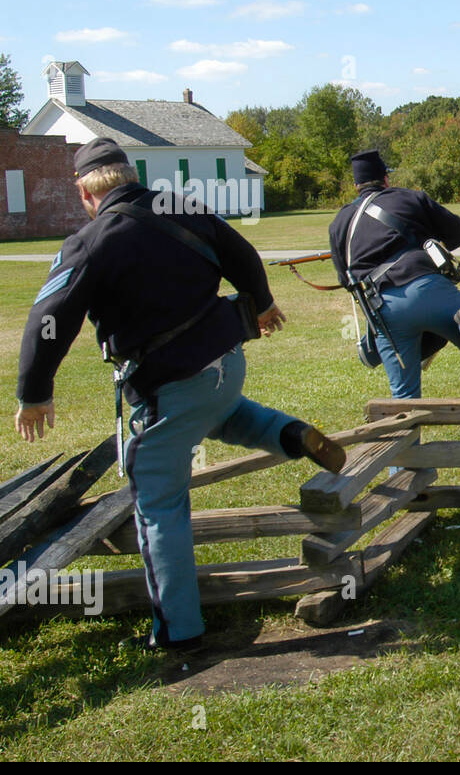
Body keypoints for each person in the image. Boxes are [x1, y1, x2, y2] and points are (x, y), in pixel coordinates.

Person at [14, 137, 345, 652]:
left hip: (171, 380)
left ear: (84, 192)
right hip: (225, 365)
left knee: (157, 500)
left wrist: (34, 393)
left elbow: (49, 318)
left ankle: (179, 632)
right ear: (130, 175)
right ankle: (292, 434)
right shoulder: (185, 209)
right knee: (222, 414)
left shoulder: (91, 240)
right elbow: (242, 253)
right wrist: (260, 304)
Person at [328, 150, 460, 399]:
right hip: (429, 286)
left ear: (355, 185)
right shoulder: (409, 198)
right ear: (386, 179)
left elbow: (345, 279)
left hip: (385, 306)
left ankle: (407, 434)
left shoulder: (340, 222)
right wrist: (426, 241)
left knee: (404, 398)